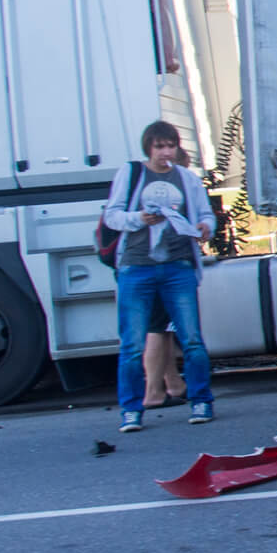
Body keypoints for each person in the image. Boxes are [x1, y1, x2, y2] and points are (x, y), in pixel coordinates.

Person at [104, 121, 216, 431]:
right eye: (160, 147)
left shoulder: (186, 179)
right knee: (132, 343)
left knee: (191, 339)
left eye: (171, 146)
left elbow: (205, 214)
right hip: (136, 266)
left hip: (177, 266)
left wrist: (207, 228)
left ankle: (201, 400)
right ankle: (130, 409)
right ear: (148, 149)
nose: (166, 152)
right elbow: (112, 216)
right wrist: (139, 218)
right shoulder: (131, 173)